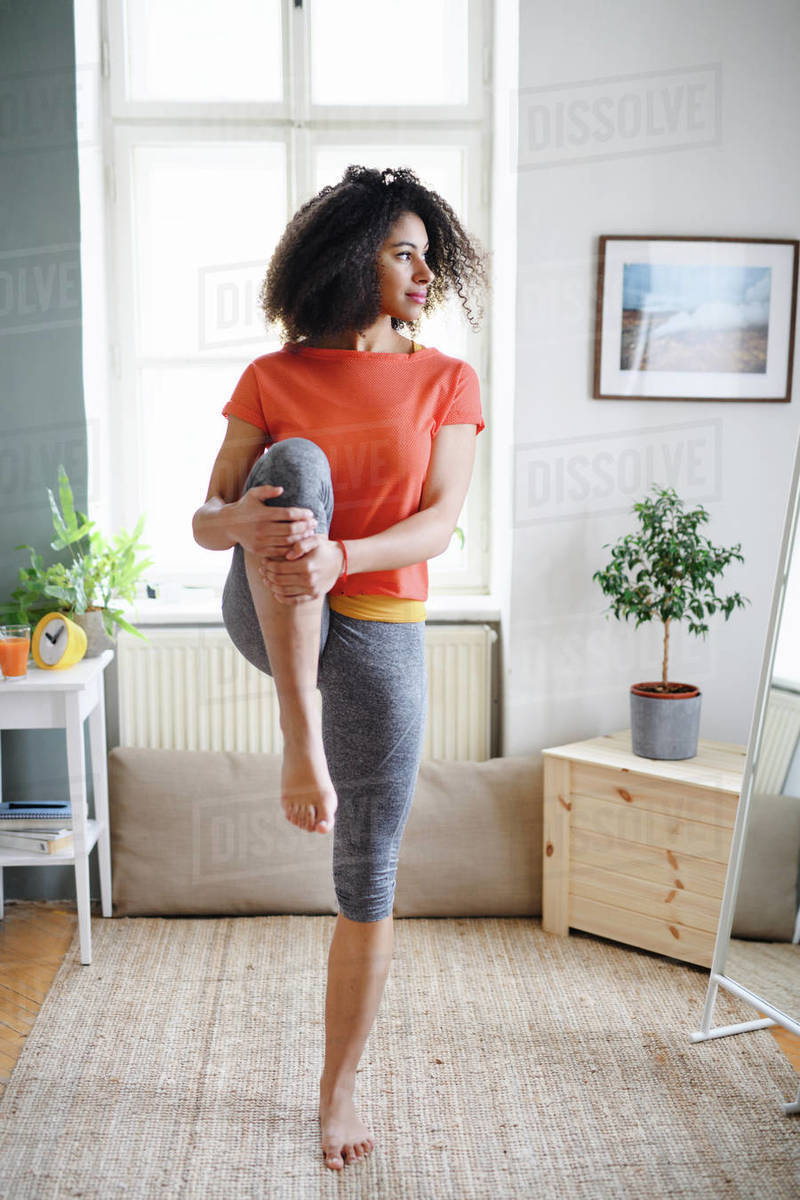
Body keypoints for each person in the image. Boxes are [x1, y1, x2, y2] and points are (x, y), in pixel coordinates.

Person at [192, 164, 488, 1172]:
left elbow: (439, 523)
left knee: (368, 869)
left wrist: (342, 557)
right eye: (401, 251)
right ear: (346, 257)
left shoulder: (446, 379)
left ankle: (339, 1086)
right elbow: (207, 517)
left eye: (427, 255)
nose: (421, 271)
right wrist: (250, 524)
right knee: (300, 467)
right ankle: (294, 739)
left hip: (376, 614)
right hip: (269, 604)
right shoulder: (274, 375)